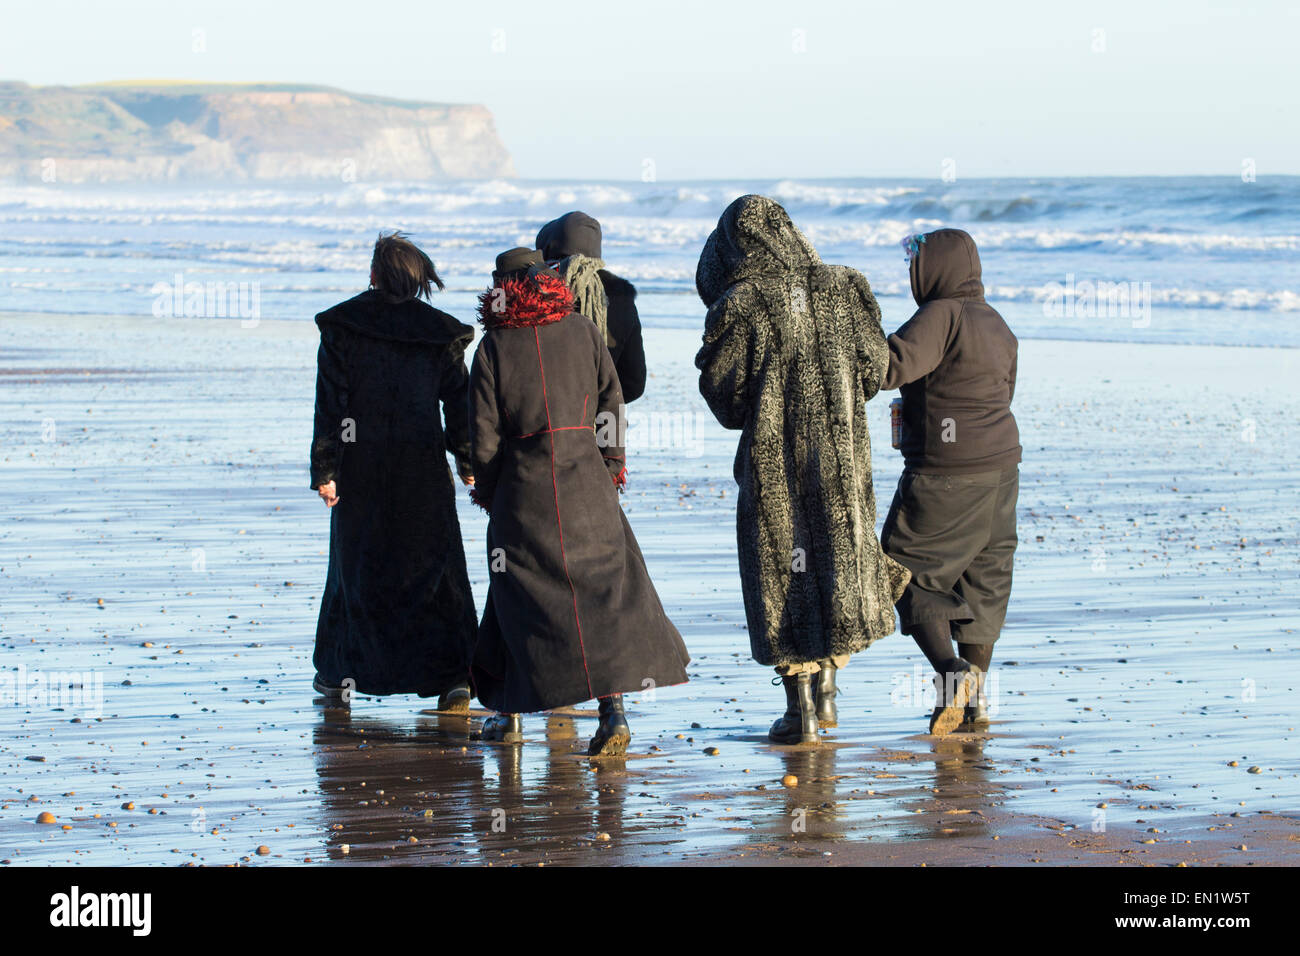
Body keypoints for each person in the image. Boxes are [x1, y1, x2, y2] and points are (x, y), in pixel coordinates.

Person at [694, 195, 909, 745]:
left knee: (780, 573)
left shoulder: (742, 302)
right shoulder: (844, 286)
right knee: (842, 557)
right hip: (841, 460)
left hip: (775, 466)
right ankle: (829, 689)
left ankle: (800, 713)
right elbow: (875, 370)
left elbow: (726, 400)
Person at [467, 247, 690, 755]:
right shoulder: (584, 330)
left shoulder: (494, 346)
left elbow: (482, 434)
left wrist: (492, 489)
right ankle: (613, 713)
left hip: (524, 489)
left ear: (502, 287)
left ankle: (511, 716)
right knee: (605, 596)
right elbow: (612, 400)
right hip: (587, 481)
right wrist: (610, 462)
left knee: (519, 599)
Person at [309, 232, 478, 710]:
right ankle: (452, 677)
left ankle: (341, 673)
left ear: (373, 275)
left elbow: (331, 405)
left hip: (360, 465)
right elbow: (458, 404)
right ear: (419, 280)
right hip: (421, 467)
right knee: (433, 568)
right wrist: (468, 462)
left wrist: (326, 469)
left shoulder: (343, 325)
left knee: (356, 569)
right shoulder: (439, 332)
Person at [879, 228, 1021, 736]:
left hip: (945, 474)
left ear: (935, 267)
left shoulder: (940, 314)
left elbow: (891, 366)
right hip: (1002, 471)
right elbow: (1003, 391)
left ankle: (951, 673)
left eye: (913, 261)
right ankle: (973, 704)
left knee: (902, 568)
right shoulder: (997, 322)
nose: (909, 271)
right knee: (983, 579)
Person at [536, 211, 647, 403]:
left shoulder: (530, 295)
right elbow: (634, 383)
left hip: (541, 422)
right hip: (601, 425)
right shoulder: (622, 300)